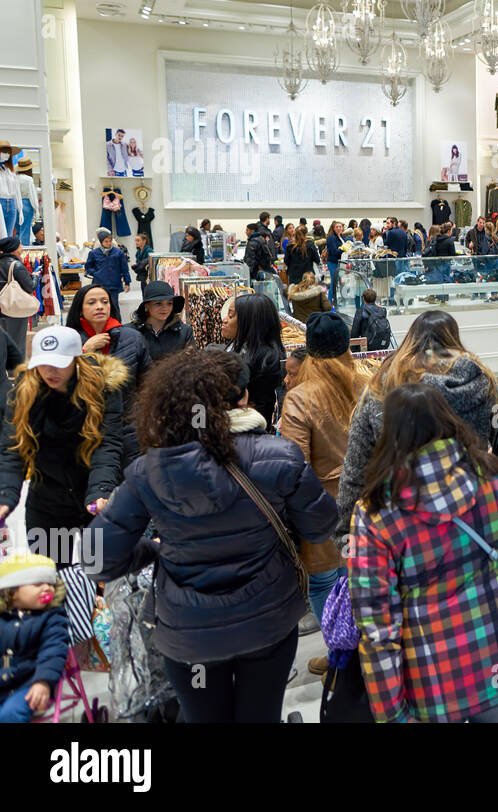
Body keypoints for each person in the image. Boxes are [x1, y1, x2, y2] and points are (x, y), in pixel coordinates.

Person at [82, 350, 338, 724]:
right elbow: (321, 526)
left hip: (190, 635)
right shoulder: (279, 456)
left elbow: (95, 559)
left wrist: (153, 550)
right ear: (243, 398)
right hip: (266, 622)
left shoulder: (148, 471)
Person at [350, 383, 498, 723]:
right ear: (447, 420)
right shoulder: (488, 474)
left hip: (431, 678)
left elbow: (377, 626)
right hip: (496, 654)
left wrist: (391, 713)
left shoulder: (375, 511)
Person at [337, 311, 498, 541]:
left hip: (402, 522)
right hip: (472, 516)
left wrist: (346, 530)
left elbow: (357, 466)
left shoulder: (383, 387)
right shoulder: (485, 382)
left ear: (410, 339)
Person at [279, 313, 368, 676]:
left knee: (322, 581)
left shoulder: (300, 398)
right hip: (371, 499)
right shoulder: (370, 383)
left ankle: (339, 654)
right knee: (367, 577)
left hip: (322, 505)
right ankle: (368, 650)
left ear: (311, 353)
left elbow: (294, 465)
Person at [0, 327, 125, 565]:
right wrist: (4, 497)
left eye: (60, 363)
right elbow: (12, 449)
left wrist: (100, 491)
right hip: (48, 497)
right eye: (44, 363)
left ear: (76, 360)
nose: (50, 371)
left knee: (97, 574)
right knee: (50, 577)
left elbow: (107, 444)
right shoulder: (24, 392)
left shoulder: (103, 388)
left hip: (94, 497)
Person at [67, 283, 150, 460]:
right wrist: (85, 351)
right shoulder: (70, 340)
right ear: (80, 309)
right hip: (85, 427)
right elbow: (62, 383)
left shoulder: (132, 338)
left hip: (128, 426)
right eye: (91, 302)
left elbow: (148, 382)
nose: (99, 306)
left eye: (105, 302)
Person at [0, 551, 70, 722]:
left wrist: (43, 681)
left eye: (51, 584)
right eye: (38, 583)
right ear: (12, 591)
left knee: (10, 714)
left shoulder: (52, 617)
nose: (47, 588)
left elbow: (54, 649)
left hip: (30, 684)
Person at [220, 292, 285, 427]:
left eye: (231, 316)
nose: (225, 319)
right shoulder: (238, 345)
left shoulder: (267, 360)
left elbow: (263, 409)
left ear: (250, 322)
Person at [129, 281, 194, 361]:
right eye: (158, 303)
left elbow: (191, 364)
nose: (165, 308)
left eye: (169, 303)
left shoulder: (184, 332)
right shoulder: (132, 332)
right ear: (147, 305)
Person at [0, 236, 36, 357]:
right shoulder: (16, 265)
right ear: (13, 248)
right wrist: (35, 276)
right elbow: (30, 287)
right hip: (15, 310)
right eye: (20, 245)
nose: (21, 248)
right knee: (17, 343)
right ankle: (16, 374)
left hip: (2, 308)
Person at [84, 229, 131, 315]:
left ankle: (117, 325)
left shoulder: (119, 253)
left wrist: (127, 282)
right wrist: (96, 273)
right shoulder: (93, 253)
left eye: (110, 241)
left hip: (114, 284)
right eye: (106, 241)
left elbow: (124, 268)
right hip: (99, 285)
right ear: (101, 242)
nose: (109, 243)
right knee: (101, 307)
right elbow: (88, 267)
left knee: (114, 306)